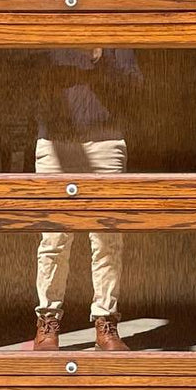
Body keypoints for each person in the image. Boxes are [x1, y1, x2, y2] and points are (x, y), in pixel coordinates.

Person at [32, 43, 141, 352]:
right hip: (54, 142)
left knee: (108, 240)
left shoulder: (114, 33)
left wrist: (101, 55)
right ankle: (47, 324)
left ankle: (106, 324)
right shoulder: (49, 32)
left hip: (106, 143)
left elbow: (135, 86)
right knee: (53, 240)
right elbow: (27, 76)